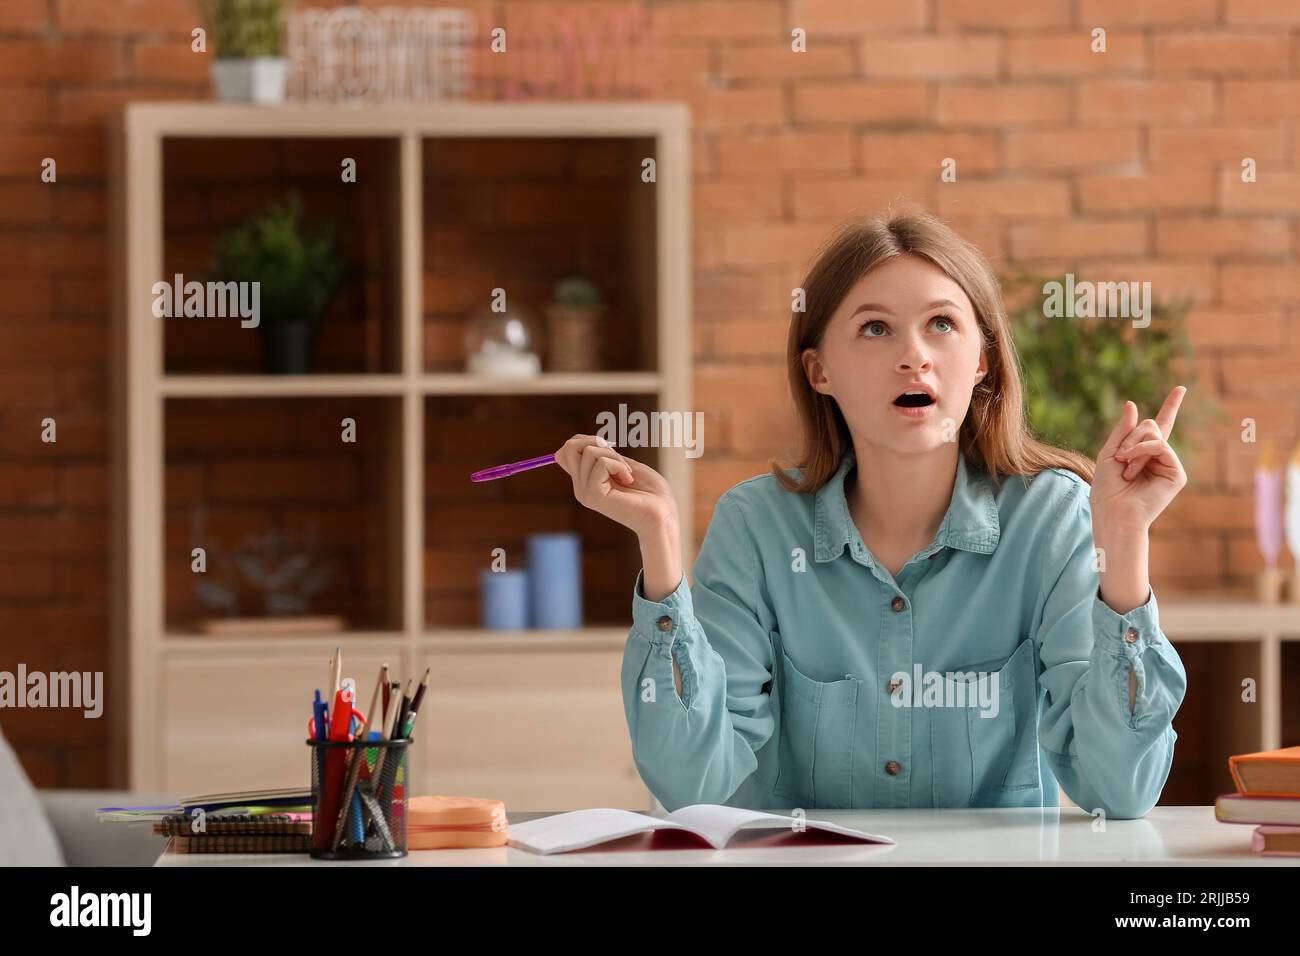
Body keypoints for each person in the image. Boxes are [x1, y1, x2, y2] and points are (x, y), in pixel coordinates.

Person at [554, 211, 1188, 818]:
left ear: (982, 361)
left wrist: (1125, 541)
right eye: (876, 329)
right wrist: (660, 545)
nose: (914, 356)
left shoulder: (1052, 521)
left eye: (941, 324)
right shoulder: (755, 527)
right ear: (819, 370)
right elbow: (692, 782)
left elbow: (1120, 791)